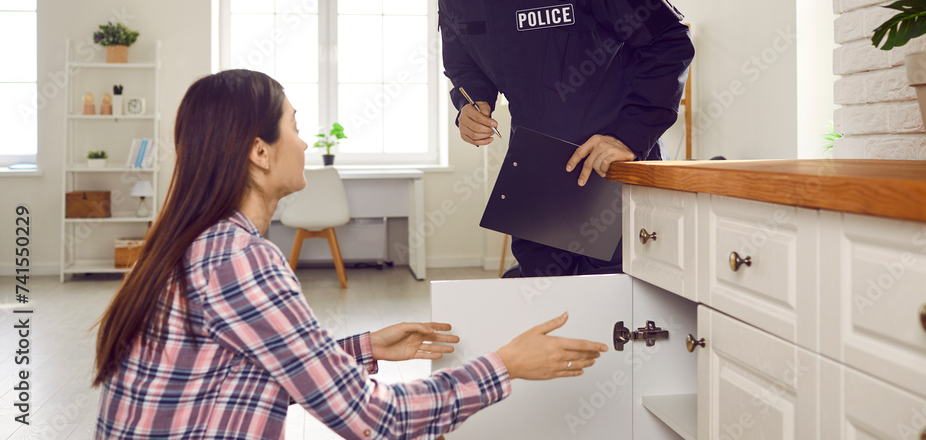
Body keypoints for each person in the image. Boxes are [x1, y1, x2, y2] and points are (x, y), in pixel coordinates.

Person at [93, 69, 607, 439]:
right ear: (259, 152)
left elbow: (246, 361)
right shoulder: (239, 258)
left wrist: (364, 348)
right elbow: (377, 420)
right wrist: (505, 365)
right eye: (294, 126)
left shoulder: (198, 242)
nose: (303, 142)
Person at [408, 0, 694, 278]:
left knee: (623, 316)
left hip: (615, 167)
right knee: (544, 316)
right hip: (537, 179)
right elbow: (465, 69)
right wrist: (471, 106)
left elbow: (669, 41)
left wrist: (628, 136)